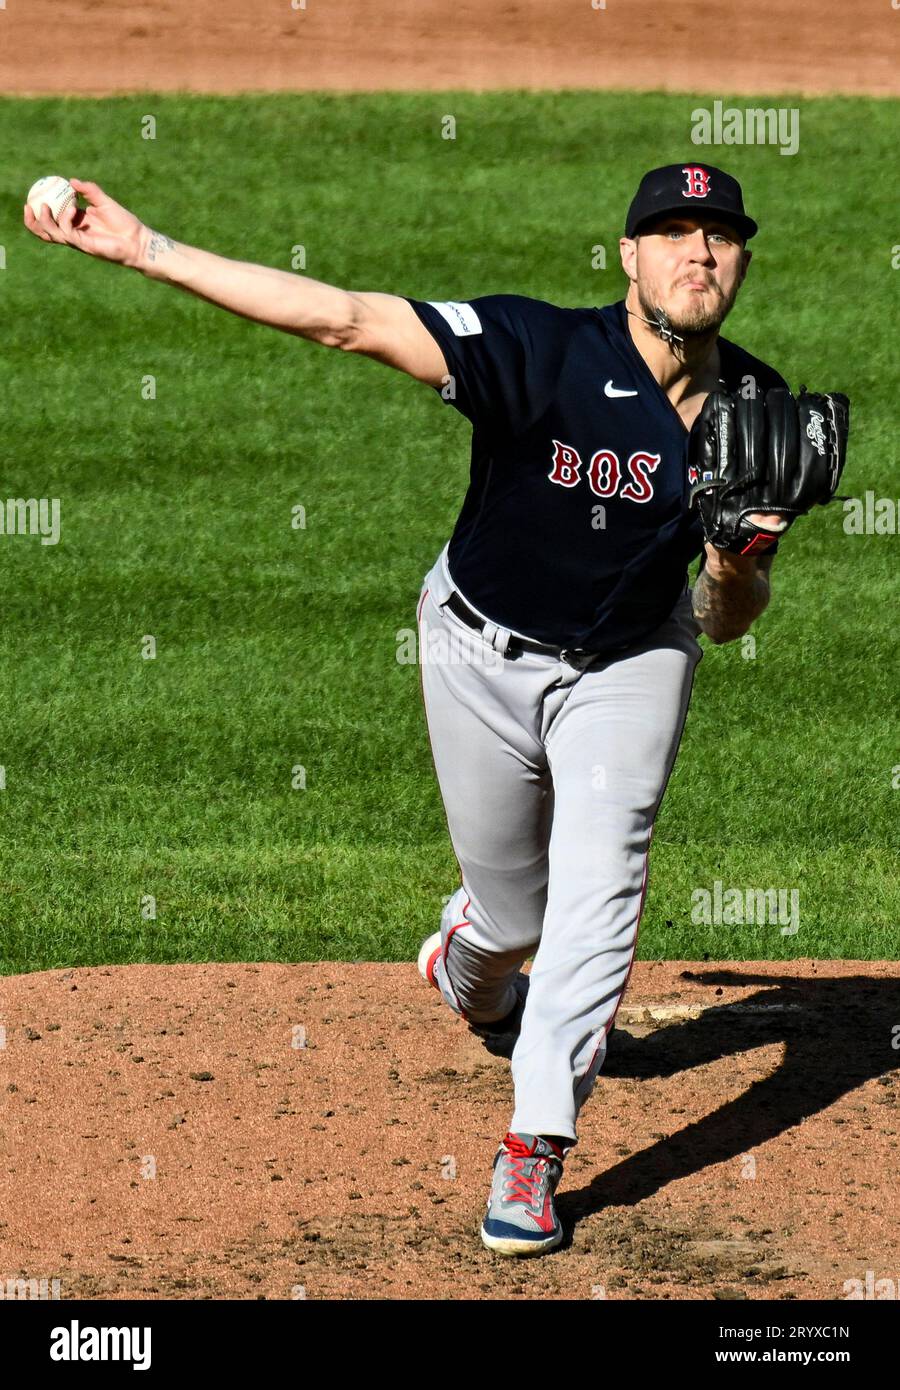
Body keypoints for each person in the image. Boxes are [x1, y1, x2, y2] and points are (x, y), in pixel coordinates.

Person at [25, 161, 789, 1259]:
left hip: (629, 662)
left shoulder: (764, 414)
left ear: (741, 263)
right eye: (672, 233)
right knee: (511, 914)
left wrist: (738, 555)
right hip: (476, 646)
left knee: (602, 882)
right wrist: (149, 249)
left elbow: (724, 619)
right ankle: (469, 966)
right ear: (629, 257)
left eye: (718, 236)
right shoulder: (540, 350)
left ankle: (535, 1143)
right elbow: (347, 319)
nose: (698, 253)